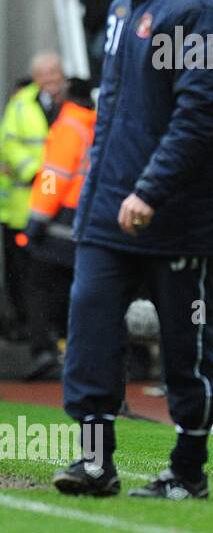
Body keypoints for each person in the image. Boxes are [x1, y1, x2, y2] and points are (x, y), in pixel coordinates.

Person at [52, 0, 213, 501]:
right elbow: (113, 114)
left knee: (185, 350)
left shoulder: (201, 10)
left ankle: (188, 470)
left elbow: (202, 116)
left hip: (177, 218)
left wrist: (151, 190)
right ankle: (94, 462)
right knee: (92, 331)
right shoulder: (125, 3)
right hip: (109, 211)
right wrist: (98, 194)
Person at [23, 77, 96, 380]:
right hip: (88, 215)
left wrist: (38, 217)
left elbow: (55, 175)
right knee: (76, 290)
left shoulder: (69, 126)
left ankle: (50, 351)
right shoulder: (94, 124)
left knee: (40, 287)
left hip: (62, 218)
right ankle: (78, 351)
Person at [0, 52, 65, 341]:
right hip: (24, 205)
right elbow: (9, 146)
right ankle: (32, 332)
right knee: (25, 273)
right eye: (47, 73)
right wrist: (37, 172)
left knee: (52, 273)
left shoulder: (71, 106)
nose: (52, 79)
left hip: (56, 202)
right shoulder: (21, 105)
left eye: (56, 72)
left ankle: (50, 333)